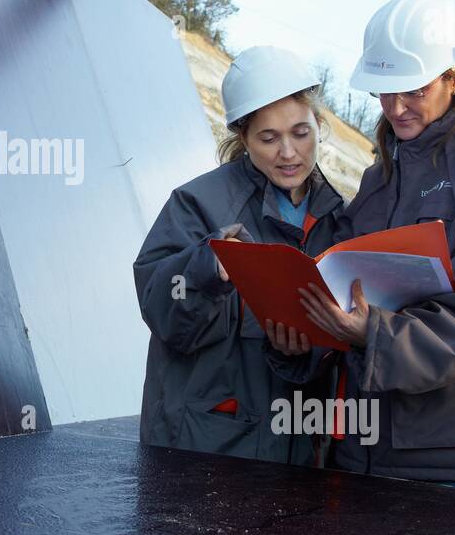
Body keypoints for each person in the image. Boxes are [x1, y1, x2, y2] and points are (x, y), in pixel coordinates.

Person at [264, 0, 455, 496]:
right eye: (383, 92)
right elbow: (337, 288)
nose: (395, 108)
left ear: (454, 77)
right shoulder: (380, 180)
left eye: (413, 90)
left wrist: (372, 334)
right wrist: (300, 340)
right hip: (370, 455)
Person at [133, 46, 345, 464]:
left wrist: (307, 352)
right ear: (243, 138)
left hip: (296, 453)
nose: (288, 152)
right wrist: (205, 268)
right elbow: (160, 306)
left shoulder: (339, 219)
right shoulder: (198, 203)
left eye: (301, 133)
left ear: (319, 126)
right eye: (268, 138)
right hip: (203, 447)